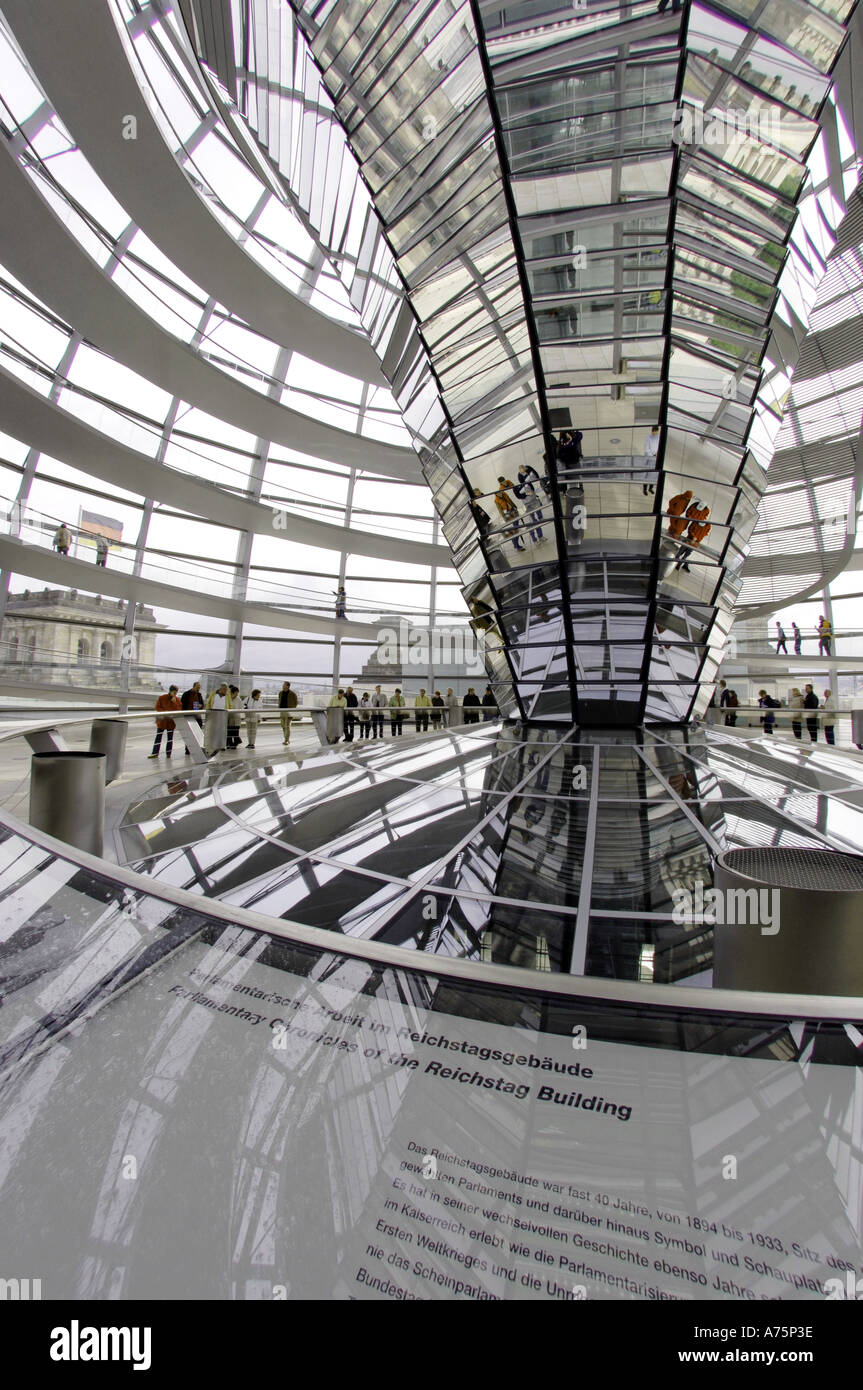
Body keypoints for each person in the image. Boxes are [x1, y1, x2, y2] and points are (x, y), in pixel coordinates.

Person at [674, 502, 710, 571]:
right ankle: (674, 562)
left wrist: (697, 539)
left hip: (695, 543)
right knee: (680, 551)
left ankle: (679, 565)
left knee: (686, 554)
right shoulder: (695, 522)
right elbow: (690, 529)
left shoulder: (708, 525)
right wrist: (693, 536)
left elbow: (706, 533)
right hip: (689, 539)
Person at [149, 684, 181, 759]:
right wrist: (165, 712)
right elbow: (157, 707)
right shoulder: (162, 698)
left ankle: (168, 754)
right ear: (170, 691)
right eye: (174, 692)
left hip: (170, 722)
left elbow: (179, 710)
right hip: (162, 721)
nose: (175, 694)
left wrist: (174, 702)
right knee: (158, 737)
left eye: (176, 693)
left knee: (170, 738)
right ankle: (155, 753)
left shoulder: (177, 700)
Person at [494, 477, 524, 551]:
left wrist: (514, 506)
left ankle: (515, 544)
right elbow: (500, 510)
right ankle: (516, 545)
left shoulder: (504, 493)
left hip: (513, 510)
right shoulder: (496, 500)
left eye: (500, 492)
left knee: (516, 528)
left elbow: (509, 500)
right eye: (499, 493)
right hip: (508, 513)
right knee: (515, 529)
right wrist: (504, 517)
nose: (500, 493)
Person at [514, 466, 544, 542]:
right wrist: (527, 494)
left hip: (533, 501)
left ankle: (540, 536)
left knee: (536, 517)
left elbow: (532, 487)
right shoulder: (518, 488)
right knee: (533, 521)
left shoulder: (527, 482)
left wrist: (532, 493)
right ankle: (535, 539)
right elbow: (520, 496)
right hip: (528, 504)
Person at [204, 683, 232, 756]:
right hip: (213, 715)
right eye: (224, 689)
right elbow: (209, 703)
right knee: (211, 732)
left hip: (223, 716)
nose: (226, 691)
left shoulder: (227, 696)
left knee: (221, 731)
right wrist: (207, 713)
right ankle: (209, 748)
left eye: (226, 690)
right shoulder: (213, 694)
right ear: (221, 689)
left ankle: (219, 746)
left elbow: (230, 705)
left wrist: (229, 712)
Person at [180, 680, 205, 755]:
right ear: (194, 686)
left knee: (197, 733)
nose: (198, 689)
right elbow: (182, 704)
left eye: (199, 687)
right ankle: (188, 749)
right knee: (189, 733)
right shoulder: (186, 694)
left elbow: (202, 704)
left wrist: (200, 706)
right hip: (188, 715)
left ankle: (197, 748)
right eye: (197, 687)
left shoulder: (199, 695)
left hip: (197, 716)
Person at [642, 425, 660, 494]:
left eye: (656, 432)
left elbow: (659, 447)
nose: (655, 433)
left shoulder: (658, 437)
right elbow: (646, 449)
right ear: (652, 431)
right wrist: (652, 455)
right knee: (647, 474)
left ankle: (650, 488)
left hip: (655, 458)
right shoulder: (648, 438)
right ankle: (645, 489)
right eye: (654, 432)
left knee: (654, 474)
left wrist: (657, 454)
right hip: (649, 458)